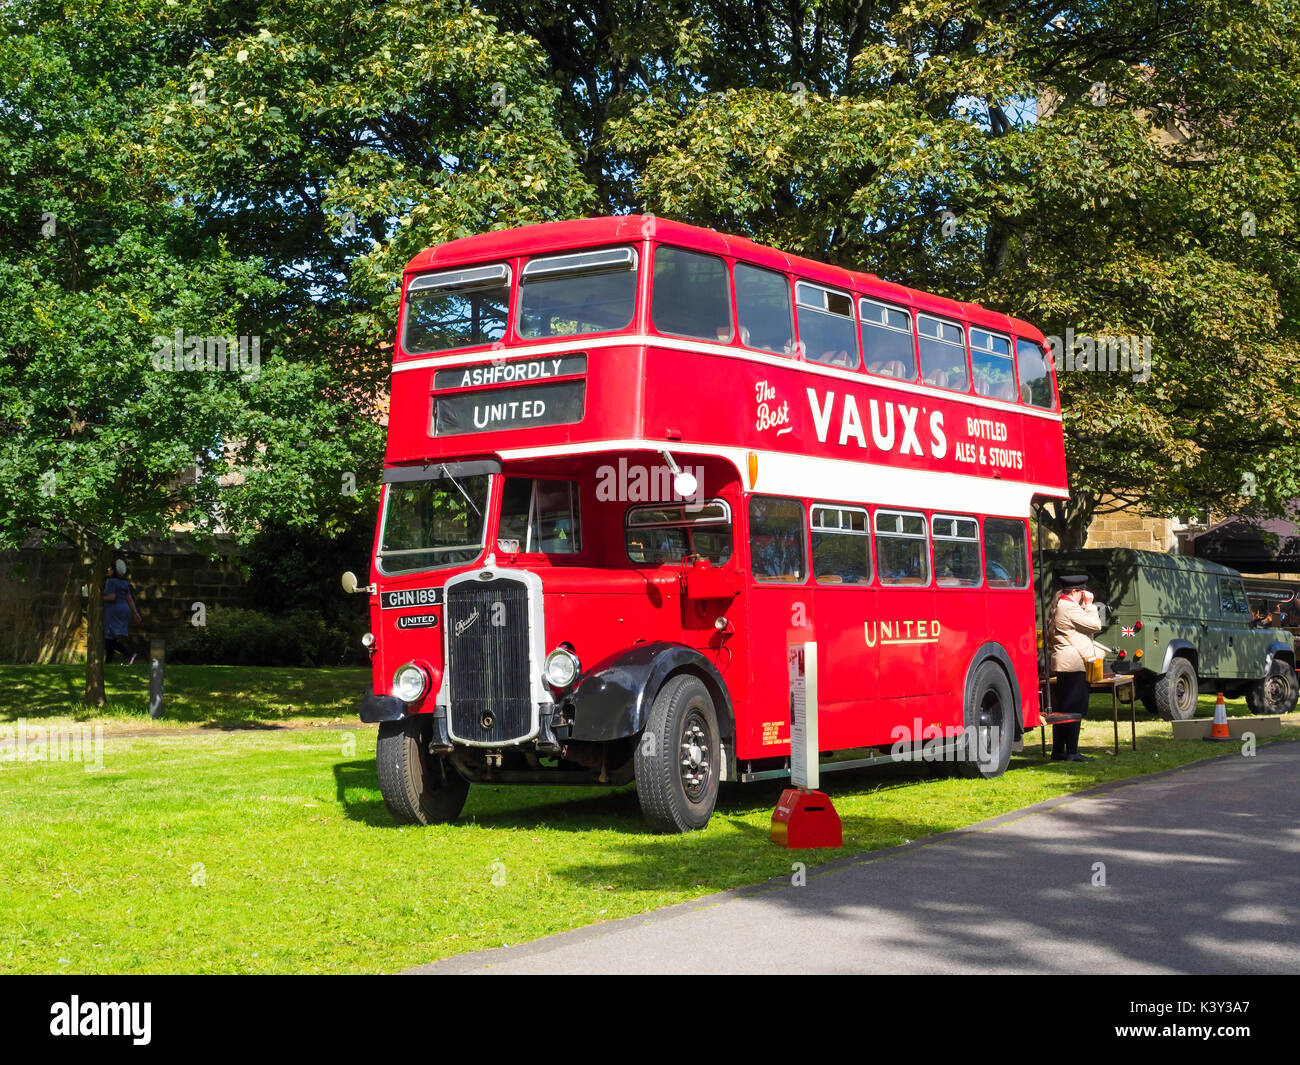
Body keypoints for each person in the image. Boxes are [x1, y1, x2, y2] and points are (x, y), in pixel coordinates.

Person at [1049, 573, 1101, 762]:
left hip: (1066, 663)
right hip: (1073, 664)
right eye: (1083, 592)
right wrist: (1090, 605)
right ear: (1076, 591)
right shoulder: (1069, 607)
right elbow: (1095, 625)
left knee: (1064, 709)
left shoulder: (1061, 605)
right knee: (1074, 709)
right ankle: (1071, 751)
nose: (1085, 595)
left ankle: (1059, 750)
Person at [102, 559, 142, 664]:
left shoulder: (110, 581)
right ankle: (108, 662)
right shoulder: (124, 582)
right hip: (124, 610)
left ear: (114, 570)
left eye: (110, 567)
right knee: (111, 637)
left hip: (114, 611)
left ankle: (129, 654)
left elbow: (111, 597)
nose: (108, 569)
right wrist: (135, 613)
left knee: (109, 637)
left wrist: (97, 597)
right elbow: (129, 599)